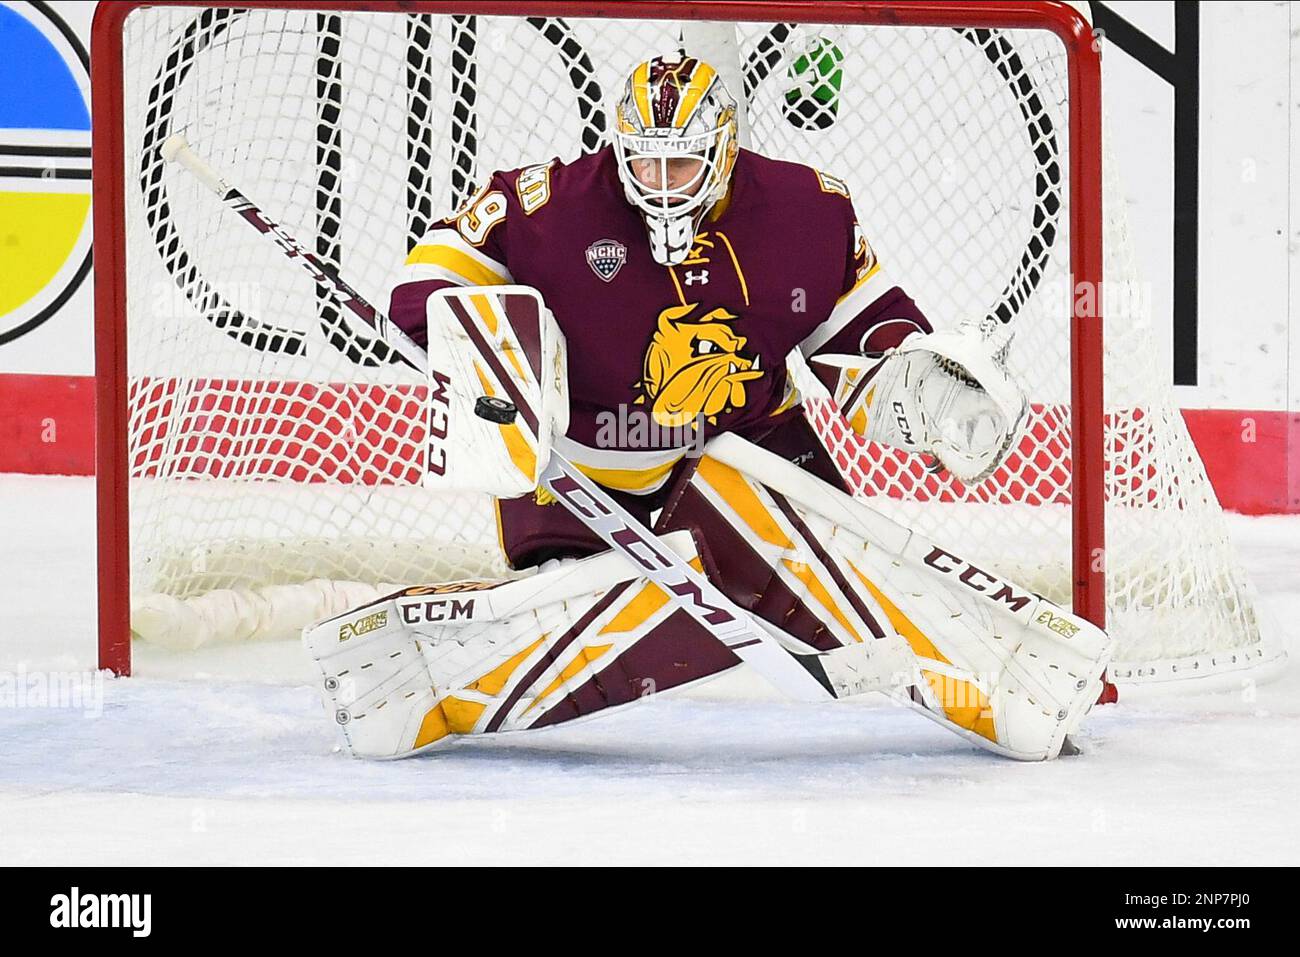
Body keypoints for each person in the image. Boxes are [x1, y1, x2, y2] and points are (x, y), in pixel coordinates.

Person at [303, 54, 1111, 762]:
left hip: (750, 446)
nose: (657, 187)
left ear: (722, 150)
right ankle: (479, 658)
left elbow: (863, 335)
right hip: (580, 469)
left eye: (680, 166)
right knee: (602, 597)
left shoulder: (807, 211)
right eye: (641, 166)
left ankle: (993, 670)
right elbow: (424, 284)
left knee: (799, 549)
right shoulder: (548, 206)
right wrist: (486, 354)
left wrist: (916, 382)